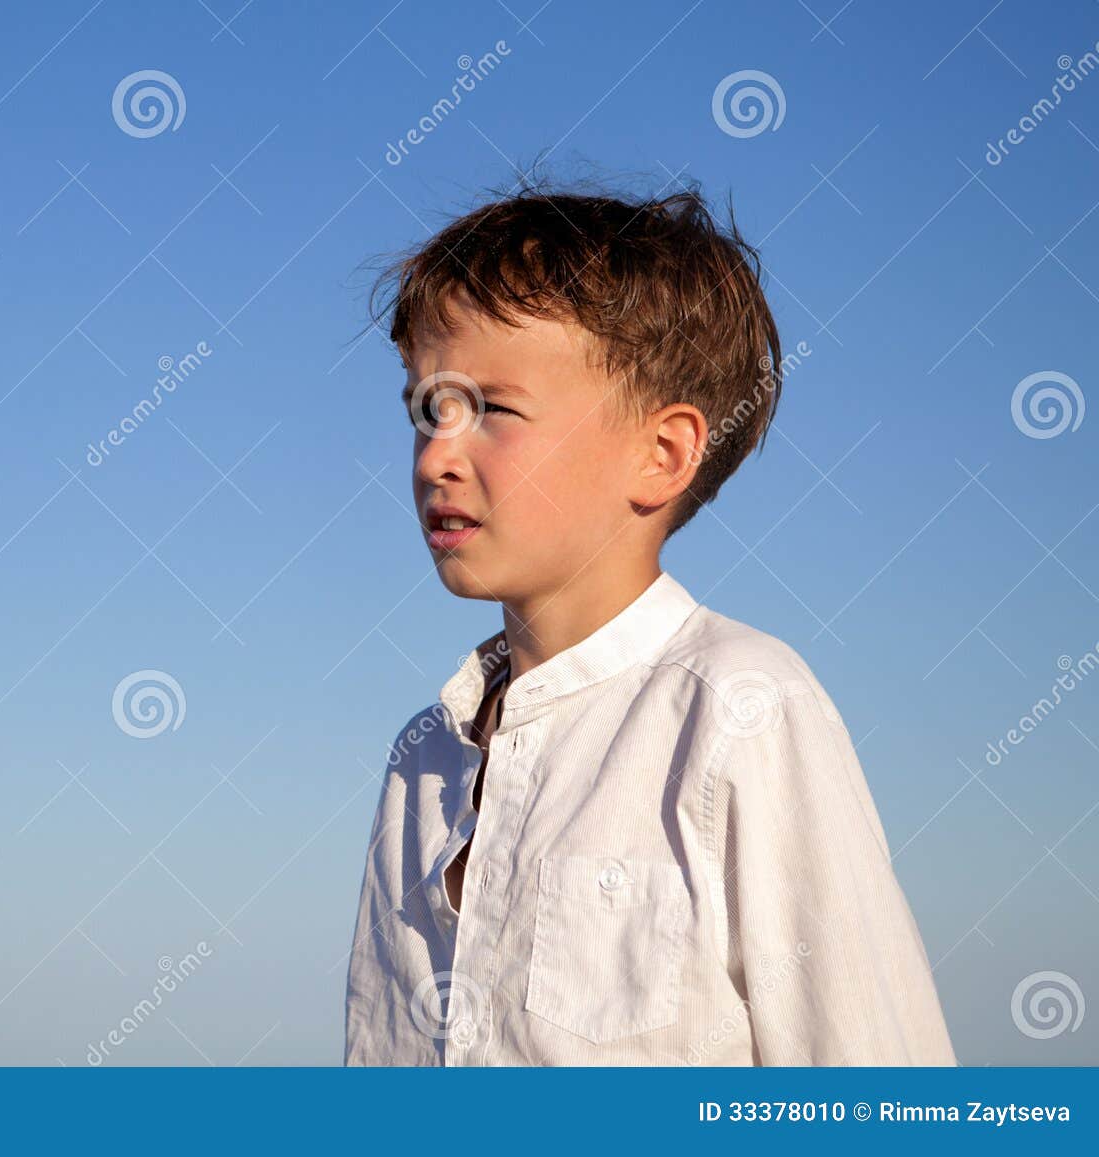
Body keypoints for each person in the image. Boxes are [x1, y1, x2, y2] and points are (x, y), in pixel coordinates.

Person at [342, 177, 955, 1066]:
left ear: (661, 453)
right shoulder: (423, 759)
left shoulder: (743, 707)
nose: (437, 453)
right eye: (425, 409)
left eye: (492, 409)